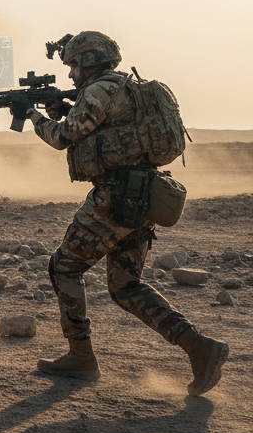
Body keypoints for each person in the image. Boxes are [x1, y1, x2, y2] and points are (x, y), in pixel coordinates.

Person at [14, 31, 228, 394]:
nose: (70, 75)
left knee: (64, 266)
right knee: (126, 286)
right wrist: (58, 107)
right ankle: (200, 348)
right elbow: (98, 131)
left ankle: (80, 356)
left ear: (88, 61)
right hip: (144, 196)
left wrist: (33, 116)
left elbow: (64, 137)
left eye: (74, 66)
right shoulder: (124, 88)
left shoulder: (99, 90)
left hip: (114, 199)